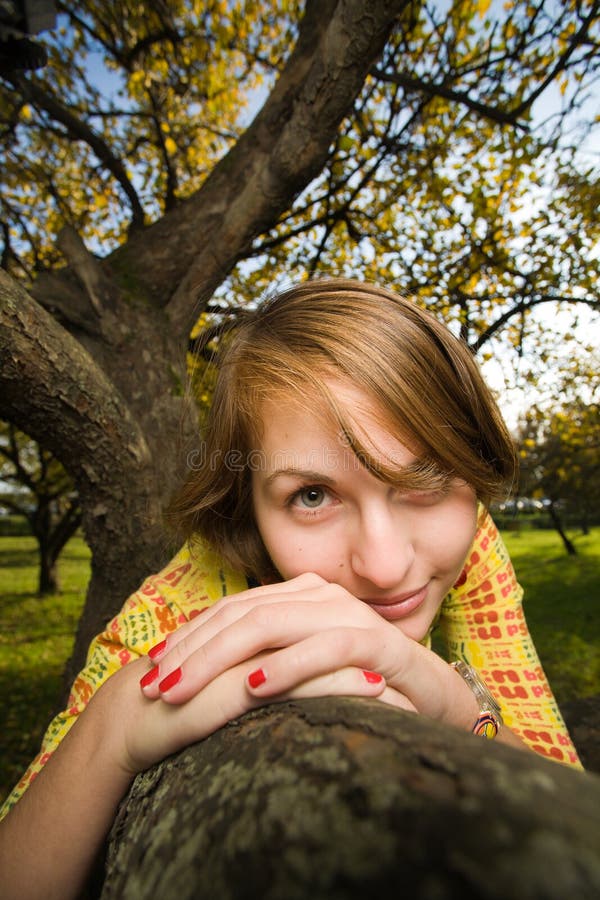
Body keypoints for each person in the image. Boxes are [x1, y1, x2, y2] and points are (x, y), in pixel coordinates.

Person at [0, 279, 581, 899]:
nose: (385, 565)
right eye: (312, 495)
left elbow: (565, 795)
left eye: (429, 477)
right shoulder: (168, 611)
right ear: (247, 508)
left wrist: (452, 700)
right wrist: (112, 729)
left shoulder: (471, 541)